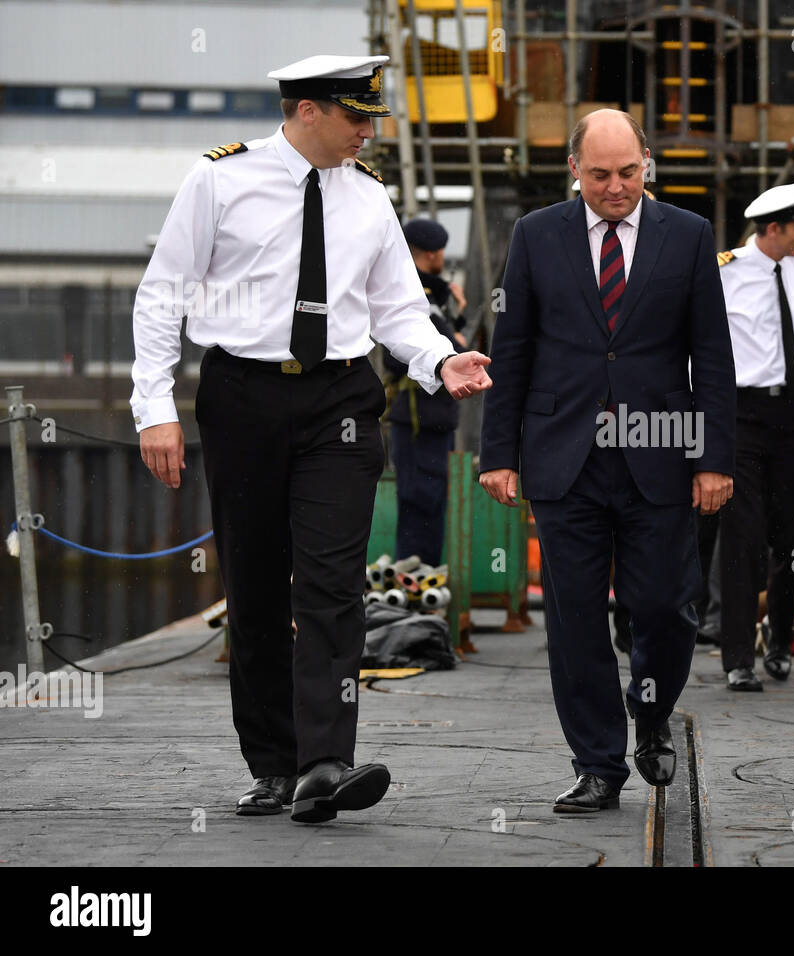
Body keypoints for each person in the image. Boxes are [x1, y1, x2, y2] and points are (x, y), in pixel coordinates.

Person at [130, 54, 492, 824]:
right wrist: (152, 404)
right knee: (258, 586)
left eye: (371, 117)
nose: (368, 130)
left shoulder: (369, 198)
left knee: (331, 582)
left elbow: (397, 308)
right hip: (243, 395)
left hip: (340, 400)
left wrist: (438, 358)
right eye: (356, 116)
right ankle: (273, 764)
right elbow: (164, 292)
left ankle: (327, 761)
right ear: (304, 112)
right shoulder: (219, 181)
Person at [479, 109, 735, 812]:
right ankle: (597, 763)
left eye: (628, 172)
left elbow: (711, 355)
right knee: (575, 622)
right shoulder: (536, 236)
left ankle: (650, 714)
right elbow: (513, 349)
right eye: (600, 175)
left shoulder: (688, 237)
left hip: (660, 454)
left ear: (647, 161)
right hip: (565, 459)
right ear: (574, 171)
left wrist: (714, 458)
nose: (616, 187)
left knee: (664, 607)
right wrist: (497, 454)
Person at [715, 183, 794, 691]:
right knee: (742, 539)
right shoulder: (723, 272)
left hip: (793, 414)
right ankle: (738, 656)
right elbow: (703, 349)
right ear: (772, 228)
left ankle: (780, 640)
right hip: (740, 414)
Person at [382, 217, 466, 566]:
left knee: (429, 501)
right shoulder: (415, 295)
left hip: (434, 418)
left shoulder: (433, 294)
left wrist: (457, 322)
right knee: (421, 500)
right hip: (420, 417)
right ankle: (415, 581)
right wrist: (455, 342)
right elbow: (396, 356)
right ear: (430, 252)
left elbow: (454, 344)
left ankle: (421, 576)